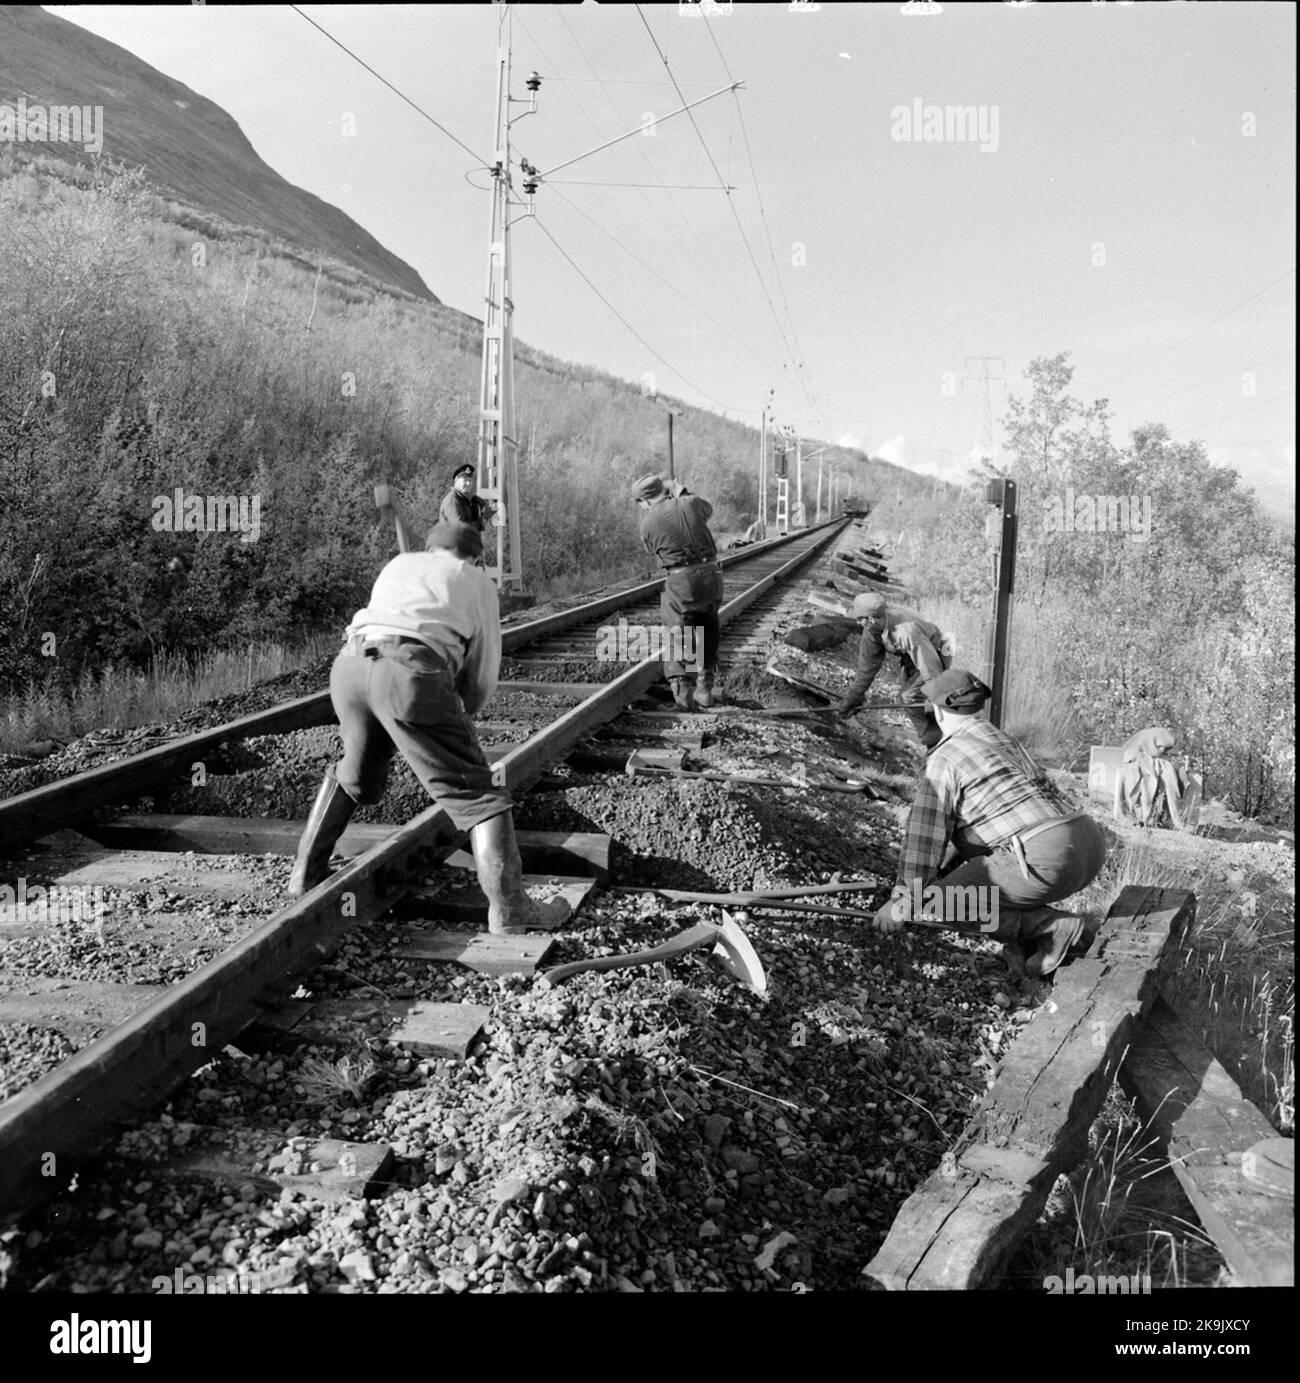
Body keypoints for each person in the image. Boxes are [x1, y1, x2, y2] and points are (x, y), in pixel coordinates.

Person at [289, 521, 569, 934]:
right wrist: (458, 713)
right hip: (410, 673)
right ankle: (511, 913)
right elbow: (482, 671)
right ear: (474, 557)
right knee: (478, 794)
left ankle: (304, 877)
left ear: (431, 547)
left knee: (359, 775)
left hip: (349, 667)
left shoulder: (399, 563)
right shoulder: (475, 580)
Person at [874, 669, 1107, 978]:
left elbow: (925, 837)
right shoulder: (1003, 740)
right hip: (1088, 843)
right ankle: (1027, 943)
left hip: (1044, 856)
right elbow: (994, 819)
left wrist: (903, 900)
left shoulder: (946, 758)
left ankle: (1052, 928)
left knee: (940, 903)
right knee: (976, 884)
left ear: (941, 711)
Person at [632, 473, 724, 711]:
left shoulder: (648, 523)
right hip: (713, 574)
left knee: (677, 633)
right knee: (707, 624)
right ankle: (705, 689)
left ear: (645, 500)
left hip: (682, 578)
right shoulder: (691, 502)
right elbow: (707, 509)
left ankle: (684, 698)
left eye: (640, 503)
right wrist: (680, 491)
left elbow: (652, 549)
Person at [835, 592, 951, 750]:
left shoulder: (906, 632)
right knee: (913, 694)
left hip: (936, 652)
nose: (858, 622)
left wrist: (938, 698)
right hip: (912, 657)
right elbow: (866, 669)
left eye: (860, 618)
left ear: (872, 618)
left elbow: (931, 669)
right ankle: (935, 726)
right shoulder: (872, 630)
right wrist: (853, 698)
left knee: (908, 696)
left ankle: (935, 739)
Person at [1114, 726, 1194, 829]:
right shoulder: (1152, 739)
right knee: (1149, 780)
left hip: (1134, 760)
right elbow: (1157, 752)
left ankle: (1154, 816)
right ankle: (1147, 815)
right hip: (1135, 762)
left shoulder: (1146, 738)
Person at [438, 463, 497, 533]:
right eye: (465, 480)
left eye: (470, 480)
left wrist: (487, 509)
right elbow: (460, 528)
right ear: (456, 480)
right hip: (454, 542)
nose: (468, 483)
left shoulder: (469, 500)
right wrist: (482, 521)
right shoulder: (453, 500)